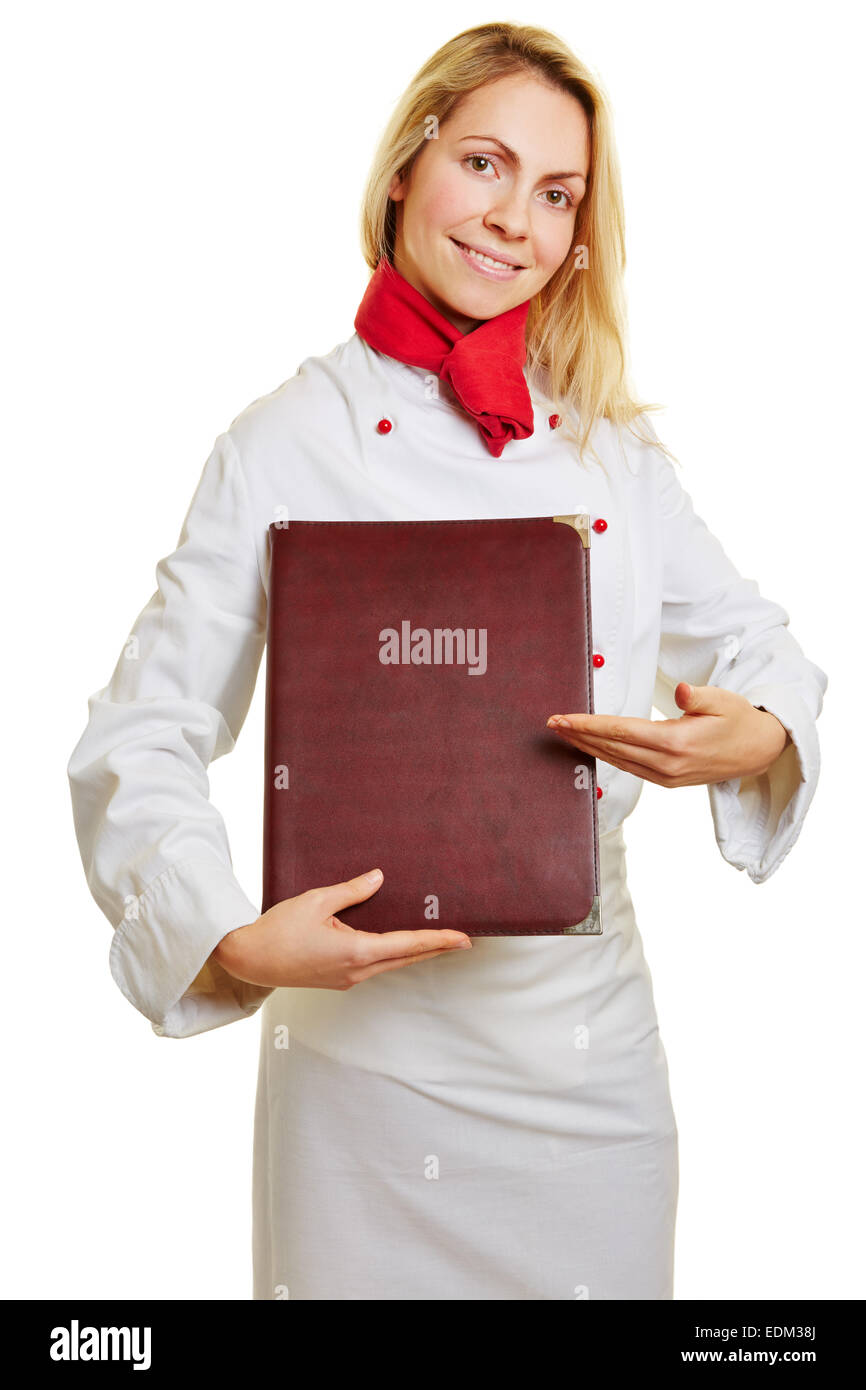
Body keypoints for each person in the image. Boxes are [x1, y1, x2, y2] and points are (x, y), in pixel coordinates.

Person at [67, 22, 828, 1300]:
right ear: (407, 167)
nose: (511, 220)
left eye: (554, 194)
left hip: (591, 1081)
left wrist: (754, 730)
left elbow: (757, 642)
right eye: (484, 164)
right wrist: (234, 941)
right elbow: (139, 736)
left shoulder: (608, 450)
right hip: (364, 1087)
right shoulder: (280, 442)